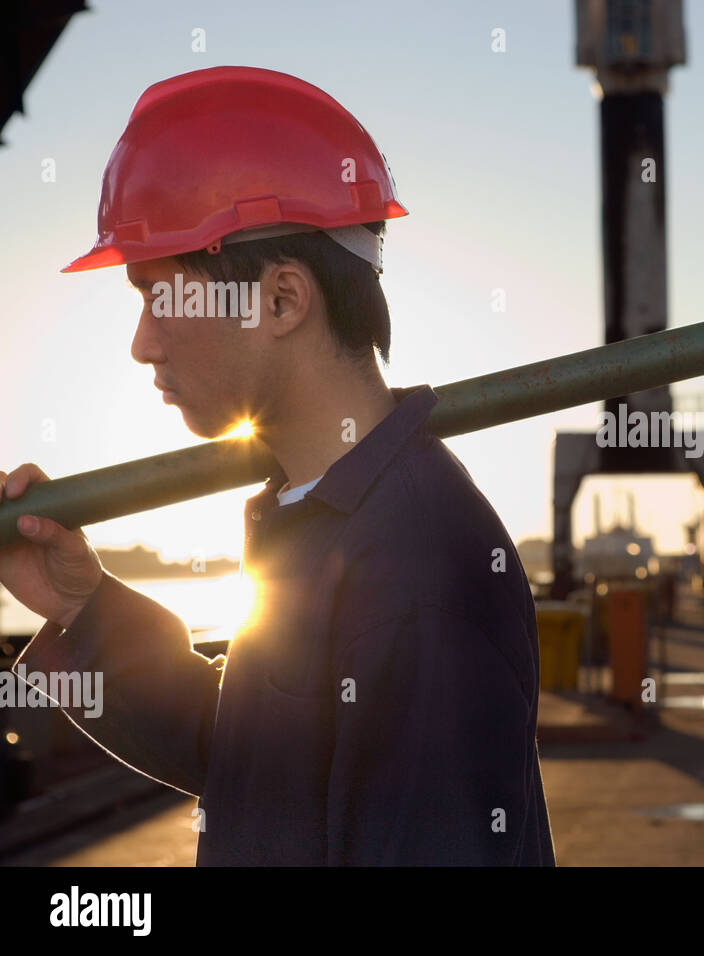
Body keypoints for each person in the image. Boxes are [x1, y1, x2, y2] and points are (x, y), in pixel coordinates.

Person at [0, 66, 556, 865]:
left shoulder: (417, 564)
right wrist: (81, 609)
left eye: (160, 295)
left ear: (282, 301)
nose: (140, 342)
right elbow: (253, 763)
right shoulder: (321, 514)